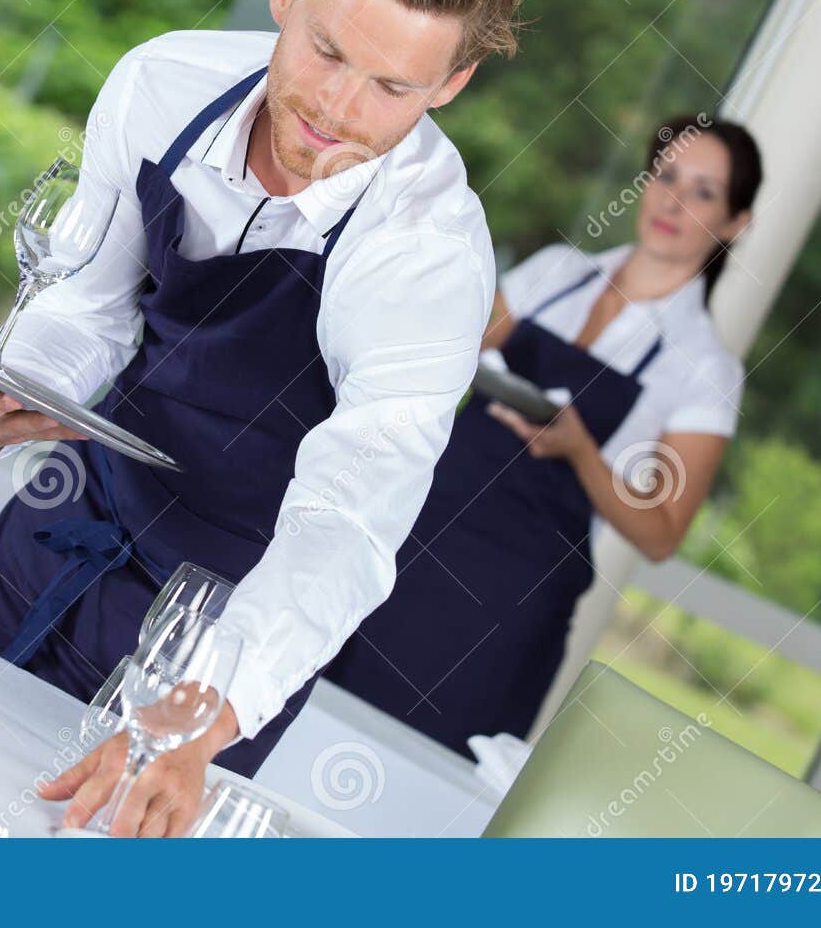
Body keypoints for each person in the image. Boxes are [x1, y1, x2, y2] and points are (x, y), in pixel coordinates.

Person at [0, 0, 522, 836]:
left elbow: (350, 519)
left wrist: (196, 710)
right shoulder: (160, 81)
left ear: (452, 84)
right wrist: (17, 391)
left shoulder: (427, 254)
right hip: (61, 533)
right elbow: (86, 304)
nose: (339, 109)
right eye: (325, 50)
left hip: (216, 651)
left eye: (392, 86)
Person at [322, 115, 762, 755]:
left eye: (702, 192)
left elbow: (661, 533)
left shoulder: (705, 367)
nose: (672, 201)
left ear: (733, 224)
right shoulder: (559, 272)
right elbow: (451, 349)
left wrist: (583, 454)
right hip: (408, 536)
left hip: (501, 605)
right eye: (666, 176)